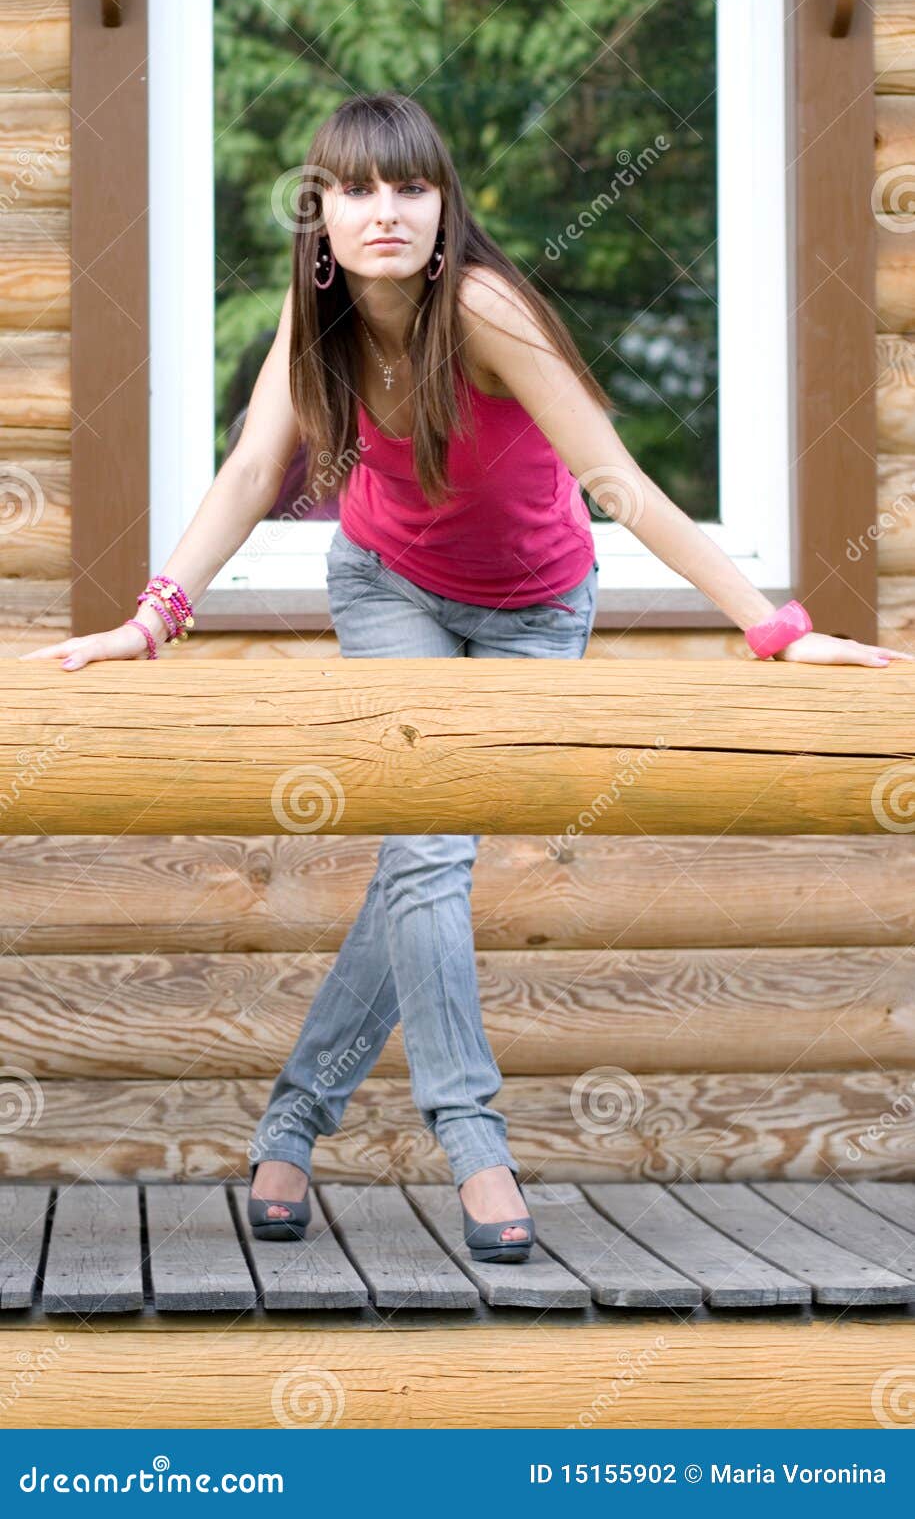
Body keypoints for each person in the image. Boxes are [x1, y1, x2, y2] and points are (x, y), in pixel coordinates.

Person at [22, 92, 912, 1266]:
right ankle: (474, 1143)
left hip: (539, 609)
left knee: (416, 861)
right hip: (389, 587)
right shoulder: (317, 325)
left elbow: (618, 483)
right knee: (428, 855)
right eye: (355, 189)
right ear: (320, 213)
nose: (382, 212)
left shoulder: (486, 308)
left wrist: (778, 632)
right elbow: (248, 476)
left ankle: (291, 1121)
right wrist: (151, 622)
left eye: (408, 187)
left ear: (444, 207)